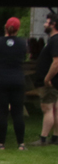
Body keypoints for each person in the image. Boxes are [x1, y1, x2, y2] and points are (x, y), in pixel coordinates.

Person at [0, 17, 28, 150]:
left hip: (0, 80)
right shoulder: (22, 43)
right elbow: (24, 57)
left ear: (5, 27)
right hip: (17, 80)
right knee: (18, 112)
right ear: (18, 29)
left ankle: (1, 144)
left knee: (2, 112)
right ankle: (21, 144)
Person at [31, 12, 58, 146]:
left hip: (51, 81)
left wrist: (47, 78)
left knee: (47, 108)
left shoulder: (55, 40)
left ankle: (43, 138)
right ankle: (55, 137)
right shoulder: (53, 40)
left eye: (47, 22)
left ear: (53, 24)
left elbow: (56, 62)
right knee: (55, 108)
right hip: (54, 80)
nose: (44, 24)